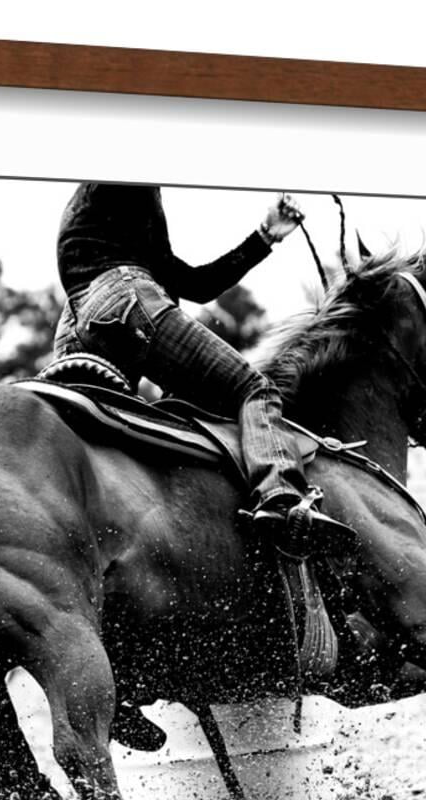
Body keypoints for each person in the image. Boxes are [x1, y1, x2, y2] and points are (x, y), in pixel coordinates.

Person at [50, 182, 357, 556]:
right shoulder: (124, 175)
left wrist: (265, 235)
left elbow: (195, 284)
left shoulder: (106, 219)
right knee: (254, 390)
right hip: (125, 298)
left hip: (81, 321)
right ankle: (283, 500)